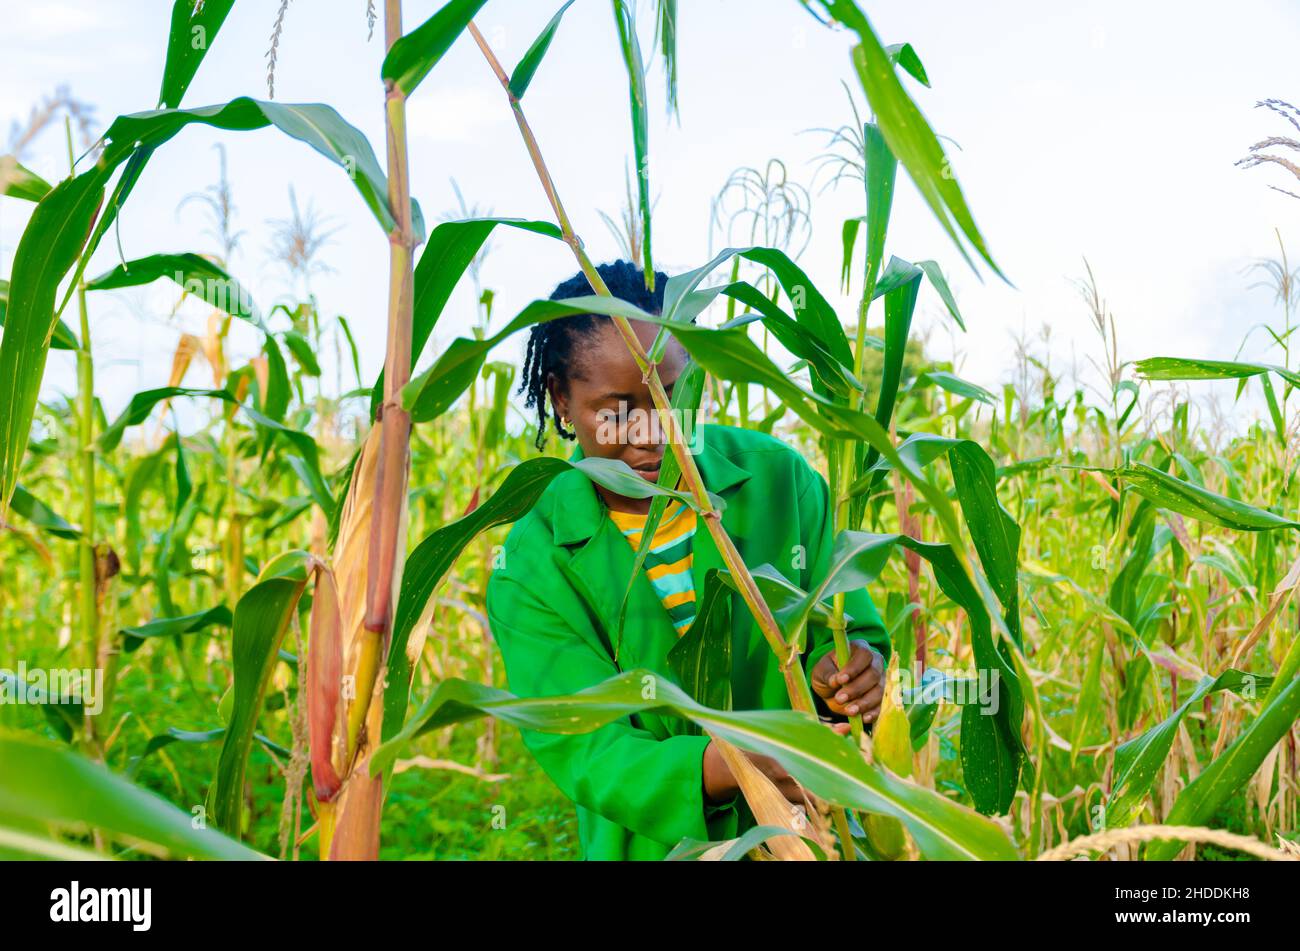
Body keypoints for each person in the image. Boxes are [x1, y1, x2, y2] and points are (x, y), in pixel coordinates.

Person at [485, 260, 889, 860]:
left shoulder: (780, 478)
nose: (653, 433)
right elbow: (583, 747)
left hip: (815, 833)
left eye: (672, 396)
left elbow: (851, 627)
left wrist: (854, 673)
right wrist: (728, 765)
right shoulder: (532, 562)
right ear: (560, 401)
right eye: (616, 408)